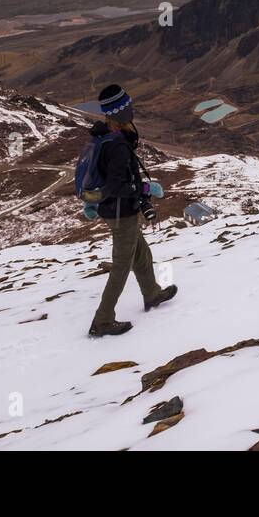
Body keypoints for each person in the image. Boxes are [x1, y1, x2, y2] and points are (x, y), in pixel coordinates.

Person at [87, 84, 177, 337]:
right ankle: (102, 320)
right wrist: (144, 191)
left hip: (116, 210)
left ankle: (152, 293)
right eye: (128, 107)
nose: (132, 110)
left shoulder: (106, 137)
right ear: (121, 111)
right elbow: (116, 185)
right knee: (121, 266)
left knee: (141, 253)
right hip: (120, 212)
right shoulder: (116, 145)